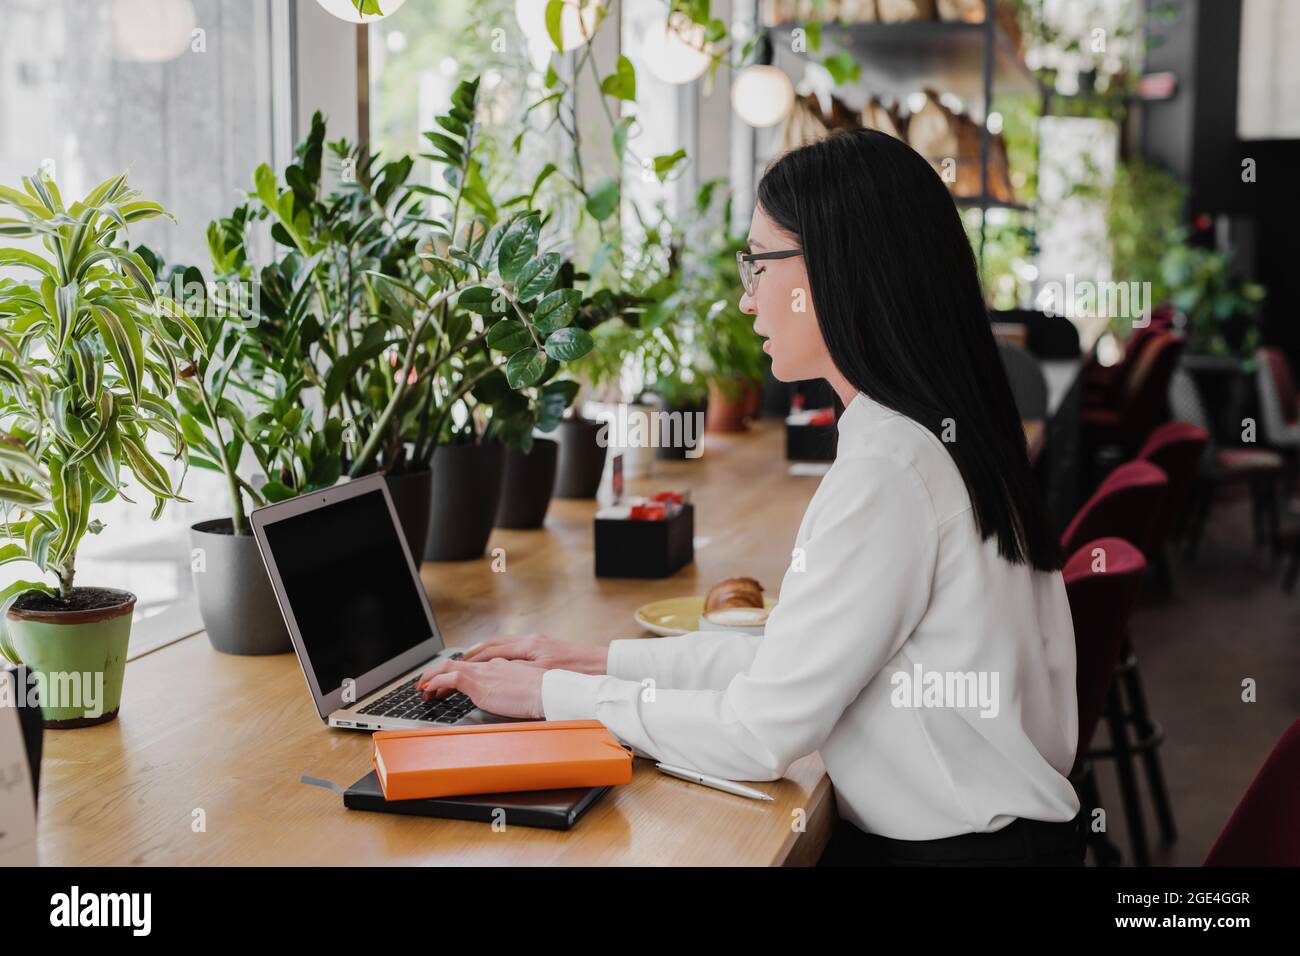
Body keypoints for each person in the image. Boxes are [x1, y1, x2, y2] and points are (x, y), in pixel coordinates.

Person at [417, 129, 1085, 866]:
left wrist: (551, 701)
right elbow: (788, 666)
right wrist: (588, 662)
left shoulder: (892, 472)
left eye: (757, 265)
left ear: (836, 270)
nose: (745, 299)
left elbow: (758, 734)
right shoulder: (936, 436)